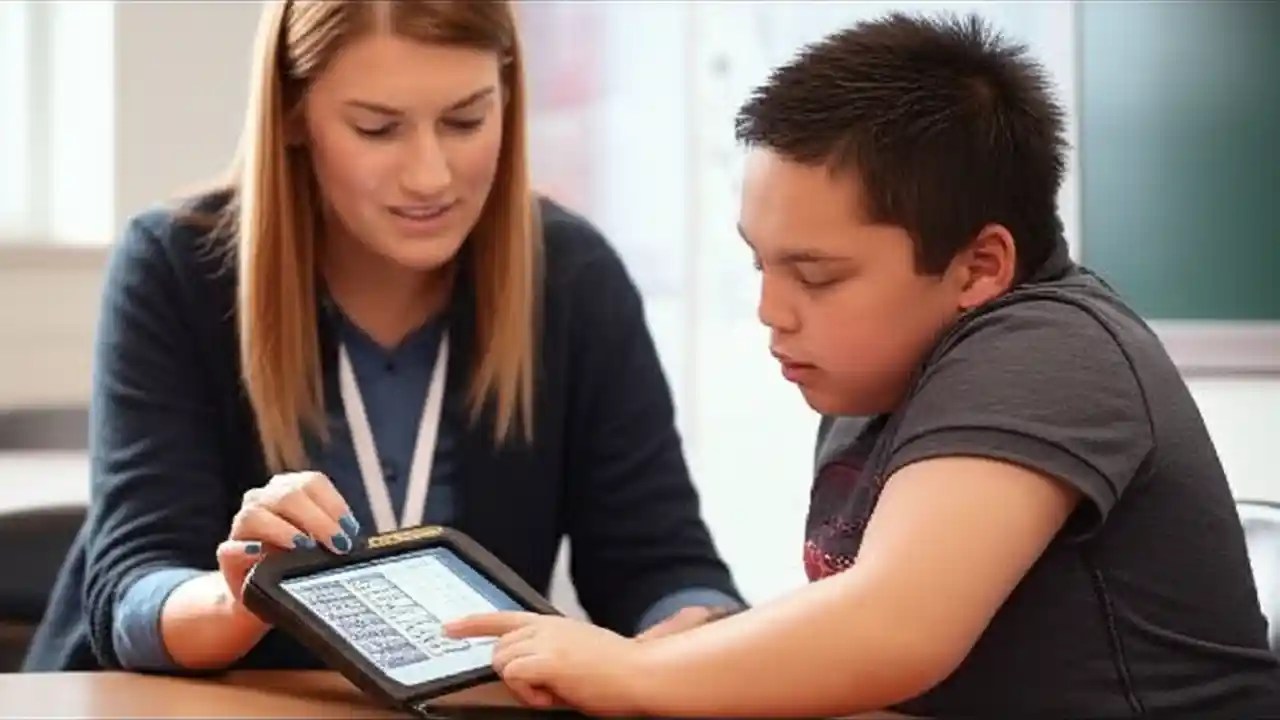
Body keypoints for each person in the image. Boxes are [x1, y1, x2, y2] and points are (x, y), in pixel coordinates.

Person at [445, 12, 1280, 719]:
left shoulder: (1051, 351)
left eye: (816, 275)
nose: (772, 310)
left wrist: (633, 671)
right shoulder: (876, 376)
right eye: (760, 265)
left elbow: (893, 629)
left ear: (980, 267)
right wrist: (697, 651)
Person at [24, 0, 742, 674]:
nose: (430, 175)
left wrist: (701, 635)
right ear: (294, 115)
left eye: (466, 121)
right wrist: (238, 593)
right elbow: (130, 589)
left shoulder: (572, 277)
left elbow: (659, 565)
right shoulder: (177, 267)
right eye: (377, 128)